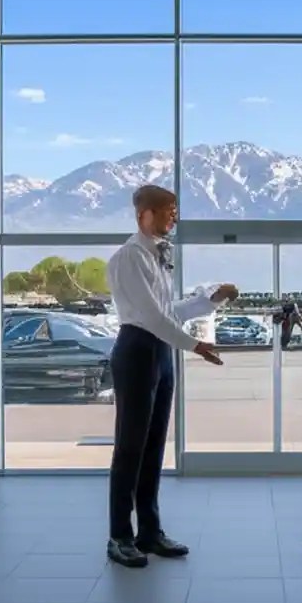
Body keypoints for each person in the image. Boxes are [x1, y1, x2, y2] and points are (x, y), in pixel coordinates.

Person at [105, 184, 239, 569]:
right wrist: (194, 346)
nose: (173, 216)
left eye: (175, 209)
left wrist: (210, 301)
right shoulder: (129, 257)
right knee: (129, 447)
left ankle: (149, 530)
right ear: (142, 214)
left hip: (159, 351)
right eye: (167, 210)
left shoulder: (160, 255)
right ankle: (119, 535)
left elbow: (169, 311)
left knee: (153, 447)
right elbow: (148, 316)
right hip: (136, 351)